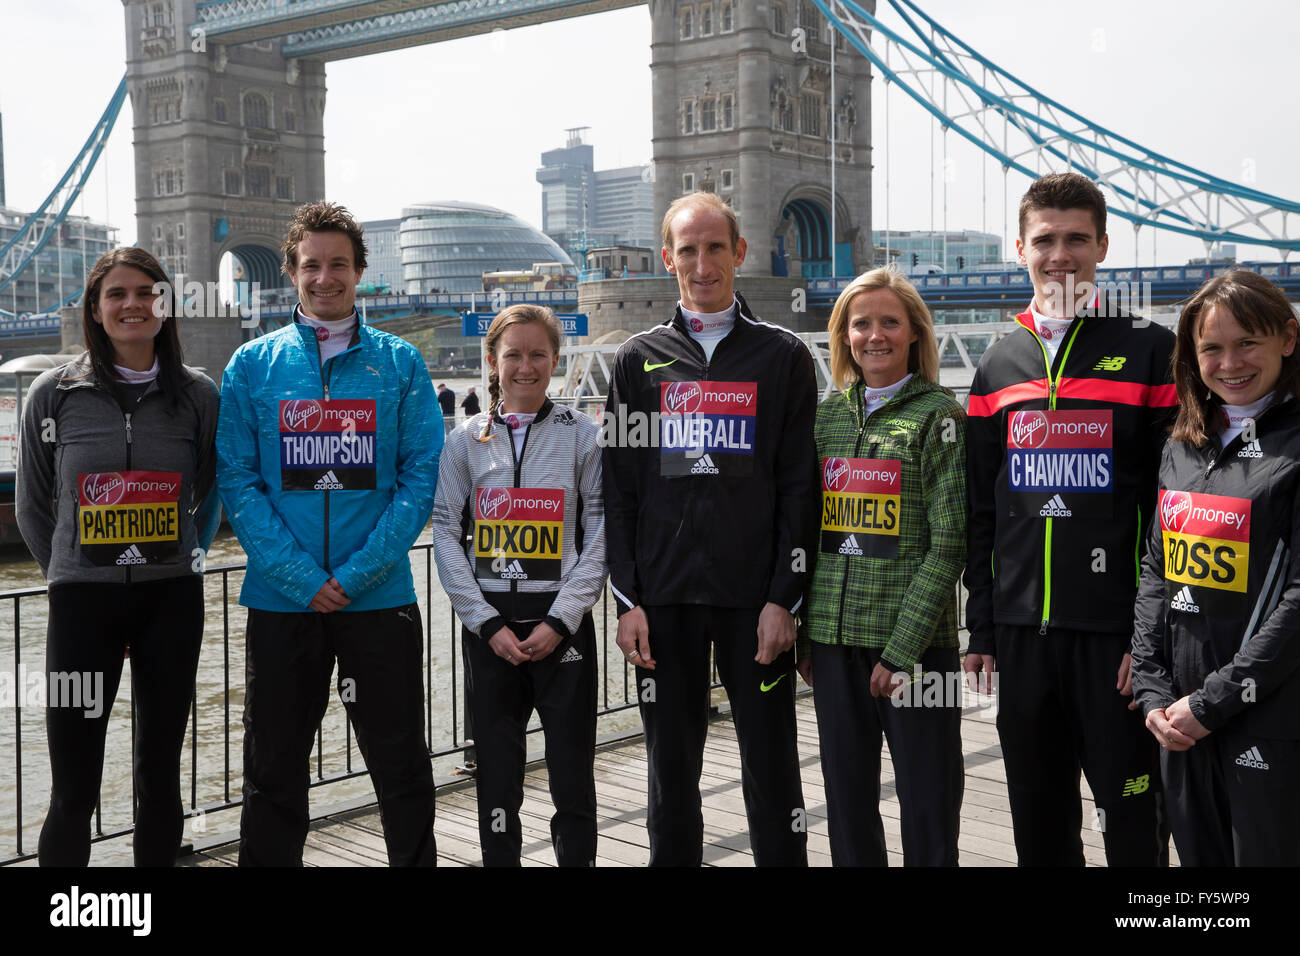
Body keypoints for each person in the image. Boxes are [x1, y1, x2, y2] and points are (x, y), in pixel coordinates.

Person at [216, 201, 443, 866]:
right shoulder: (251, 366)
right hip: (283, 604)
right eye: (310, 264)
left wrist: (352, 576)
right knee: (273, 770)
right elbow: (237, 480)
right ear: (289, 272)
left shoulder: (400, 365)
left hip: (378, 600)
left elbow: (419, 479)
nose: (325, 277)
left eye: (338, 264)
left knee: (400, 764)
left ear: (359, 272)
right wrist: (304, 580)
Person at [963, 172, 1176, 865]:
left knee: (1134, 817)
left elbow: (1172, 511)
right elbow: (982, 510)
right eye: (1045, 240)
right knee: (1040, 823)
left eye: (1077, 239)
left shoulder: (1150, 349)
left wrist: (1149, 639)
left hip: (1113, 639)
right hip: (1024, 639)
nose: (1061, 255)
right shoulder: (996, 365)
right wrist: (984, 627)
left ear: (1103, 245)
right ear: (1021, 249)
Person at [602, 191, 818, 866]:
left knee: (773, 768)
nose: (702, 264)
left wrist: (785, 596)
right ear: (668, 259)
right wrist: (629, 602)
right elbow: (619, 487)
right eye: (687, 250)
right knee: (671, 777)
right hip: (664, 605)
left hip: (754, 602)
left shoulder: (782, 356)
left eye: (715, 247)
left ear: (739, 253)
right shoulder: (637, 359)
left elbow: (799, 488)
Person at [16, 247, 220, 866]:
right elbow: (33, 506)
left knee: (159, 778)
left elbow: (209, 495)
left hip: (170, 603)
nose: (132, 304)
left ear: (166, 305)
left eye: (146, 292)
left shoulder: (199, 395)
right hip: (82, 606)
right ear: (96, 310)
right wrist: (74, 575)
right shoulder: (53, 394)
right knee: (73, 786)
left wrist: (187, 558)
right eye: (116, 294)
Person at [795, 267, 965, 866]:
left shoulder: (939, 417)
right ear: (843, 336)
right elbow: (810, 533)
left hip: (913, 650)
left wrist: (902, 651)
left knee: (928, 803)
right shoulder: (826, 417)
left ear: (915, 333)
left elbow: (948, 546)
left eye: (890, 322)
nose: (875, 335)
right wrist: (807, 639)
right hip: (834, 644)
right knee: (846, 804)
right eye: (859, 323)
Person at [1131, 270, 1300, 866]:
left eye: (1247, 342)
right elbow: (1158, 567)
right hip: (1178, 717)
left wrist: (1213, 704)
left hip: (1268, 719)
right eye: (1211, 347)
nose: (1230, 362)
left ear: (1287, 337)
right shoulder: (1182, 443)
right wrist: (1152, 688)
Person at [432, 304, 606, 866]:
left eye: (537, 355)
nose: (525, 367)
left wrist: (561, 620)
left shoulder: (583, 436)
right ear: (493, 361)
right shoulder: (464, 441)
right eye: (513, 355)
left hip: (564, 634)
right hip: (493, 636)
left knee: (572, 777)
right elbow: (446, 530)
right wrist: (483, 623)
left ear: (555, 361)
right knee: (497, 781)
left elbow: (601, 530)